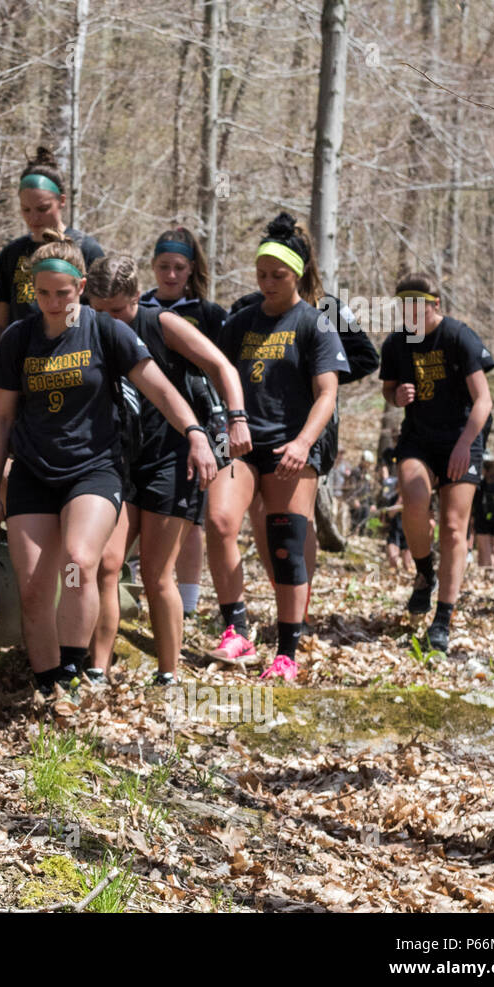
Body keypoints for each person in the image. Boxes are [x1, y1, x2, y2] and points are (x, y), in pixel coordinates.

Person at [0, 237, 217, 695]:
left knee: (78, 561)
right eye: (44, 293)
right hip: (33, 470)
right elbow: (3, 417)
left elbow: (162, 389)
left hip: (93, 469)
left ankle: (74, 675)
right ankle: (48, 686)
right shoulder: (18, 339)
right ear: (32, 291)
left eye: (64, 293)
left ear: (82, 288)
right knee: (33, 587)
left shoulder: (106, 331)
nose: (53, 303)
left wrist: (195, 434)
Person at [84, 253, 247, 685]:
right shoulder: (86, 329)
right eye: (101, 312)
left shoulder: (163, 325)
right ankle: (97, 669)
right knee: (107, 565)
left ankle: (168, 673)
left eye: (118, 311)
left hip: (172, 458)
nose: (111, 321)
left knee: (157, 573)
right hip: (117, 460)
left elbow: (222, 366)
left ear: (137, 297)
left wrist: (237, 418)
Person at [204, 213, 348, 680]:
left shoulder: (315, 323)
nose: (267, 283)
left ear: (298, 274)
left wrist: (305, 443)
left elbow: (328, 393)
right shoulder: (241, 322)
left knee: (285, 542)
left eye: (278, 276)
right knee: (220, 520)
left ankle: (287, 652)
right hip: (243, 443)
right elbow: (218, 378)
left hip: (292, 447)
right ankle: (237, 630)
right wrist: (230, 421)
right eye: (262, 274)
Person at [379, 274, 494, 651]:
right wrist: (397, 395)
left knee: (452, 527)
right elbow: (388, 390)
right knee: (412, 499)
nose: (410, 314)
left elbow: (484, 401)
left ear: (435, 305)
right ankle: (424, 572)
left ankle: (443, 617)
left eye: (417, 306)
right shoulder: (397, 343)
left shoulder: (459, 337)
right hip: (419, 438)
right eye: (404, 307)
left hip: (463, 438)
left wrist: (465, 445)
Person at [137, 227, 231, 620]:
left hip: (198, 428)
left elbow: (223, 368)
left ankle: (188, 606)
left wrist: (228, 423)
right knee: (138, 511)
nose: (170, 275)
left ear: (191, 269)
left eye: (178, 267)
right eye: (163, 267)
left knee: (192, 518)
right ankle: (135, 595)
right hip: (144, 424)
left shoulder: (209, 315)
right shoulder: (138, 307)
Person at [0, 147, 104, 350]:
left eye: (42, 209)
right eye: (26, 209)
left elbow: (103, 314)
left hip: (75, 354)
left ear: (61, 201)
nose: (33, 218)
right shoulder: (11, 254)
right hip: (23, 356)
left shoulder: (86, 249)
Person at [473, 457, 494, 570]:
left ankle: (488, 579)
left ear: (484, 470)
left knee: (485, 549)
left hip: (482, 519)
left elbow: (475, 502)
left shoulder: (481, 484)